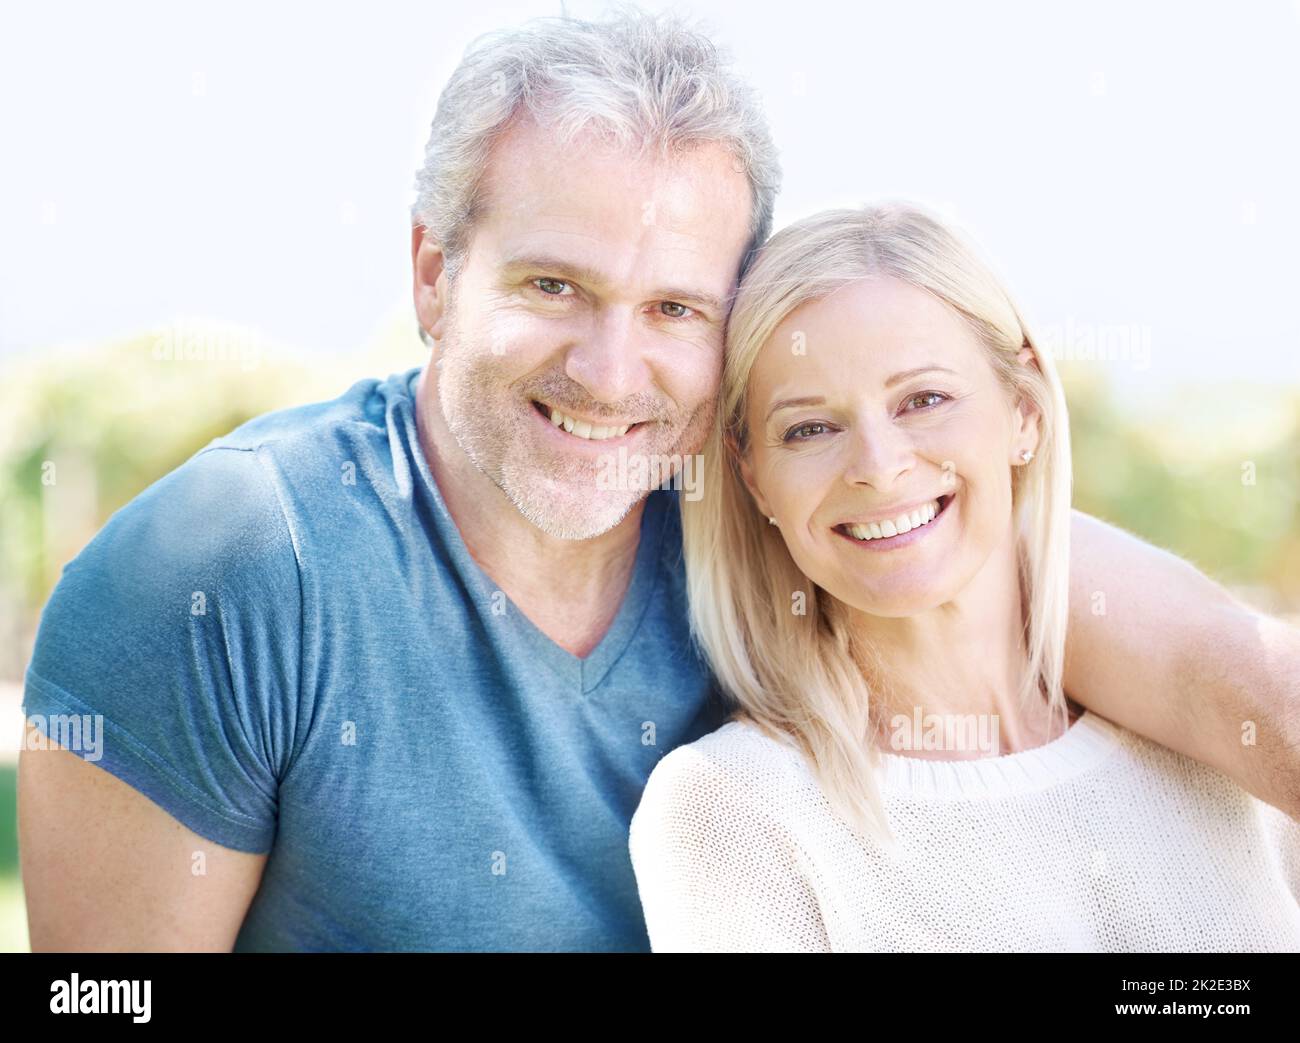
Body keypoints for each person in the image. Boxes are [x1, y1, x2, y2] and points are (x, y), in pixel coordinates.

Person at [18, 9, 1299, 952]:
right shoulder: (220, 573)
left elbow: (1223, 680)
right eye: (551, 286)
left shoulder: (810, 510)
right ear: (430, 272)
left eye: (676, 305)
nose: (610, 369)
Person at [627, 202, 1300, 952]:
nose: (880, 467)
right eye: (810, 428)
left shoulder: (1214, 745)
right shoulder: (734, 809)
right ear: (752, 476)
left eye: (924, 399)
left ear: (1024, 410)